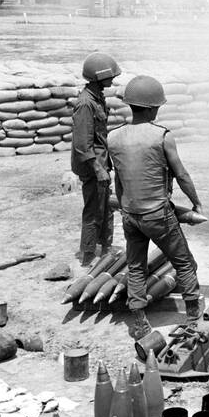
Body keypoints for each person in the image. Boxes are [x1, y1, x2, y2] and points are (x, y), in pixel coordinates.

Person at [106, 75, 204, 342]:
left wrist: (126, 206)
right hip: (158, 214)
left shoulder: (113, 138)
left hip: (130, 215)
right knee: (184, 263)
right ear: (153, 108)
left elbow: (118, 178)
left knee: (136, 267)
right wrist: (195, 203)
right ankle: (194, 315)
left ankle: (139, 322)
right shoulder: (162, 136)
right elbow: (181, 175)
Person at [71, 52, 121, 266]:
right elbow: (82, 143)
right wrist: (98, 169)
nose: (114, 79)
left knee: (105, 206)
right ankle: (88, 256)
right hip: (92, 166)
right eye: (111, 75)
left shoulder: (97, 96)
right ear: (100, 76)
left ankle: (105, 248)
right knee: (93, 210)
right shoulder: (85, 103)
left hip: (101, 162)